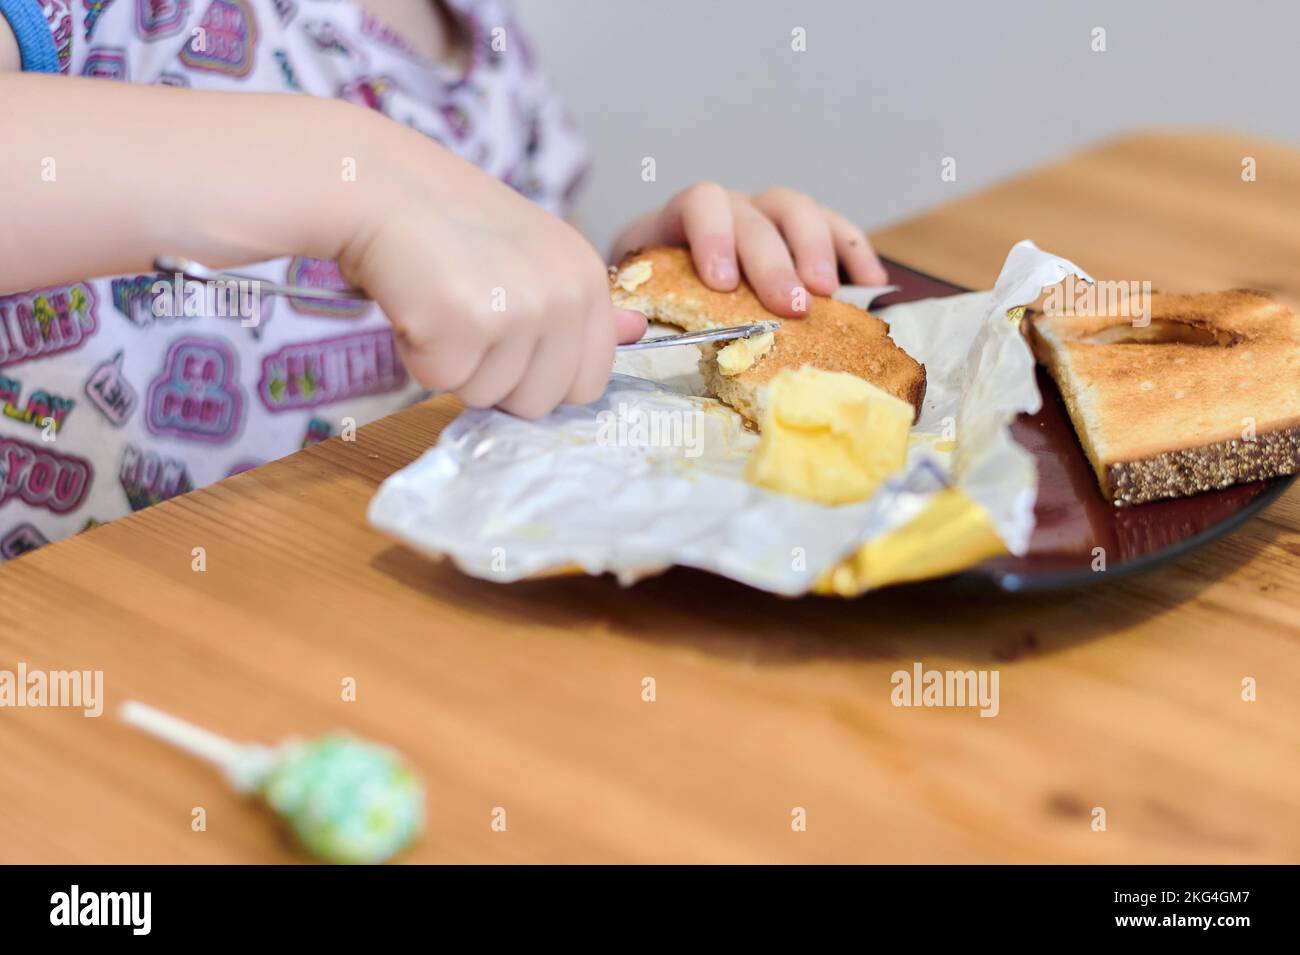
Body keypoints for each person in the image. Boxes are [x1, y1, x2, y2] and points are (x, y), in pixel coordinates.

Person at [0, 0, 888, 555]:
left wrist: (639, 293)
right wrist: (354, 172)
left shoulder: (493, 59)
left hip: (339, 624)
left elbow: (513, 338)